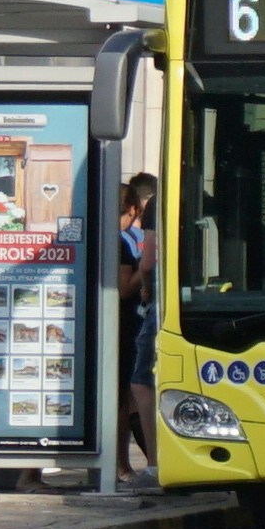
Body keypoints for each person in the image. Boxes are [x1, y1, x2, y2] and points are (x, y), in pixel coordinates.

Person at [112, 169, 162, 480]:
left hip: (128, 322)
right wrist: (144, 283)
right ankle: (121, 465)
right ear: (133, 209)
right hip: (126, 321)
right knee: (129, 390)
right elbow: (122, 287)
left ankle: (124, 465)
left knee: (129, 393)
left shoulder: (123, 238)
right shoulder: (121, 240)